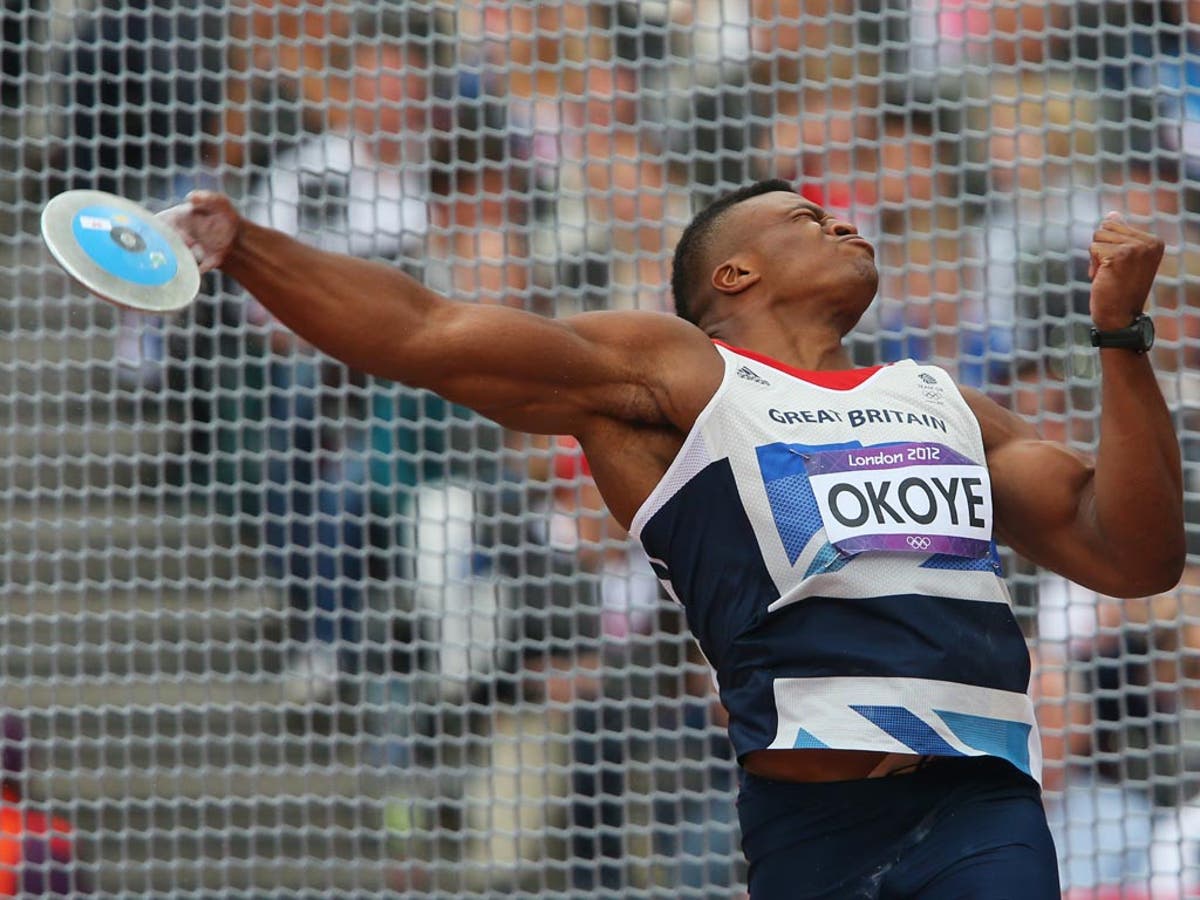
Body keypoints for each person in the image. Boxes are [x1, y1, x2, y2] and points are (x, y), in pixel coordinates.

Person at [158, 177, 1184, 898]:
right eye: (807, 216)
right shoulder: (679, 371)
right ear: (734, 274)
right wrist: (246, 247)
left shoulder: (941, 400)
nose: (844, 223)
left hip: (979, 805)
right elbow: (427, 332)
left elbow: (1132, 554)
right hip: (809, 821)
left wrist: (1121, 340)